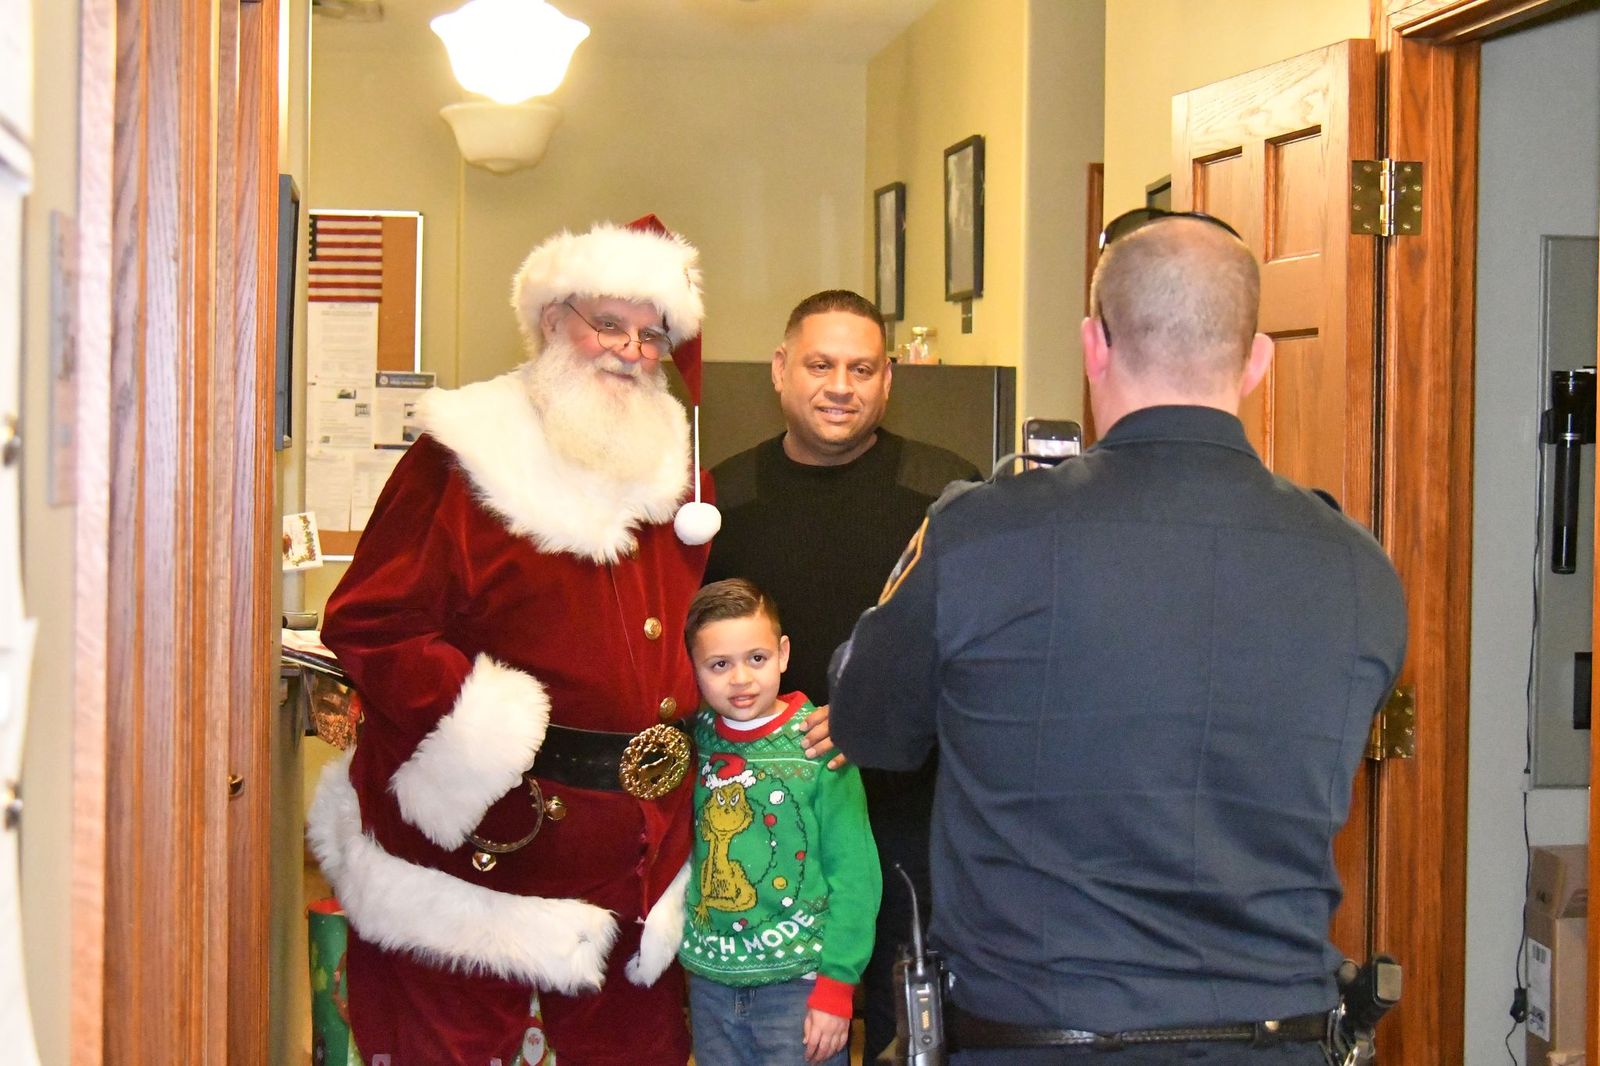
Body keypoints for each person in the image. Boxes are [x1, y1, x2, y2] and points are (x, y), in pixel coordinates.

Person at [828, 211, 1408, 1064]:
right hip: (1275, 1040)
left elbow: (868, 725)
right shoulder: (1358, 569)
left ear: (1093, 346)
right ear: (1257, 361)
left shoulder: (982, 536)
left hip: (1032, 1039)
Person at [307, 217, 717, 1066]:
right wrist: (484, 730)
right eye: (610, 325)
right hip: (480, 860)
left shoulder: (675, 469)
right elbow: (369, 621)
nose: (632, 351)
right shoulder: (461, 455)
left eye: (651, 334)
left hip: (636, 865)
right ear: (552, 321)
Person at [703, 289, 979, 1061]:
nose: (840, 386)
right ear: (781, 370)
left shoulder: (950, 493)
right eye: (820, 365)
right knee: (782, 1035)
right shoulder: (722, 499)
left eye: (862, 368)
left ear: (888, 380)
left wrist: (876, 723)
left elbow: (983, 651)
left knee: (911, 1025)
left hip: (907, 815)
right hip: (763, 826)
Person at [677, 579, 881, 1066]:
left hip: (800, 989)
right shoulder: (692, 740)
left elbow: (856, 877)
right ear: (694, 669)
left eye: (757, 658)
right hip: (709, 987)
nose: (741, 679)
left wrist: (837, 990)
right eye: (719, 665)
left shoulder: (821, 746)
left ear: (783, 653)